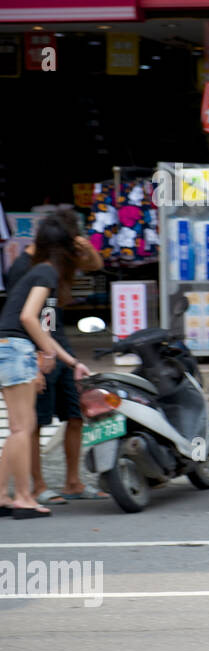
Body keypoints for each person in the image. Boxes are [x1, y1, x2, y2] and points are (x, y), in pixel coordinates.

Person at [6, 208, 107, 504]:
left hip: (58, 342)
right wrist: (36, 362)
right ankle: (37, 486)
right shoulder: (25, 267)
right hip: (35, 349)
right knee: (33, 422)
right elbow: (21, 317)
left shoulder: (55, 262)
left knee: (75, 414)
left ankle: (73, 482)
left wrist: (87, 249)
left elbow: (94, 265)